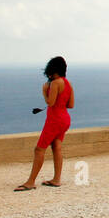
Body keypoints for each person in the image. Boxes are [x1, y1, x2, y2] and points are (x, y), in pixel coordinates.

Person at [16, 56, 73, 191]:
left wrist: (44, 92)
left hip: (55, 120)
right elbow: (71, 105)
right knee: (56, 147)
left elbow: (50, 102)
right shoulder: (67, 83)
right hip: (65, 118)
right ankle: (56, 179)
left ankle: (30, 182)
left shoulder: (55, 83)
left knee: (39, 149)